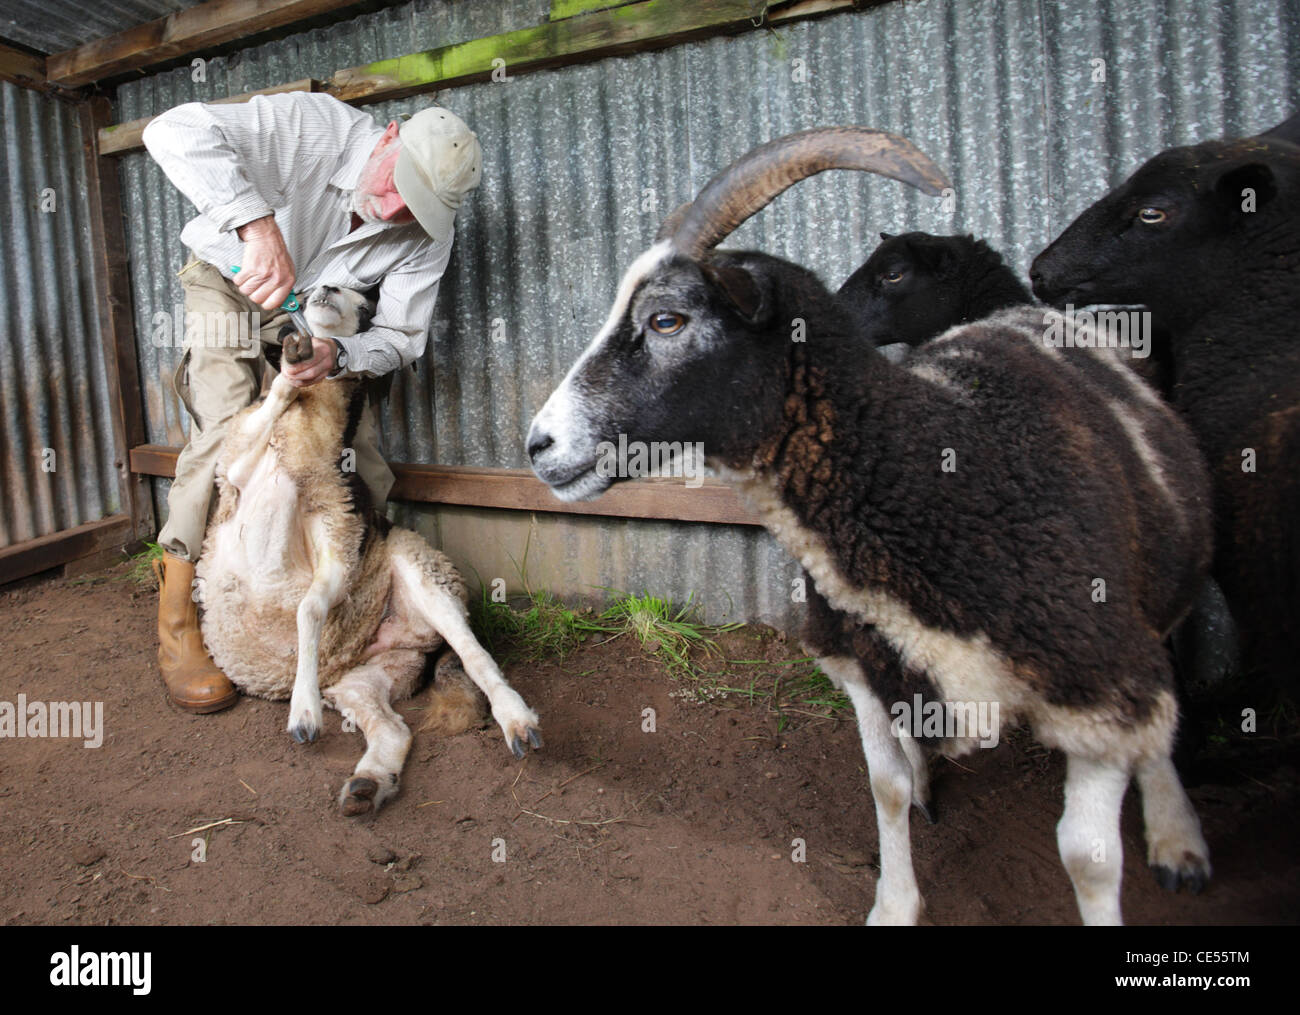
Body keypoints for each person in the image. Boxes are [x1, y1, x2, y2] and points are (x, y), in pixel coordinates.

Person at [142, 91, 482, 713]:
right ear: (389, 135)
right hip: (231, 279)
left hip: (314, 317)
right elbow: (172, 128)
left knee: (358, 452)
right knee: (227, 429)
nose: (397, 209)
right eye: (398, 185)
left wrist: (341, 358)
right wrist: (257, 224)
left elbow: (402, 336)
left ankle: (353, 595)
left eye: (419, 207)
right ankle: (179, 620)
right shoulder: (314, 125)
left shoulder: (426, 231)